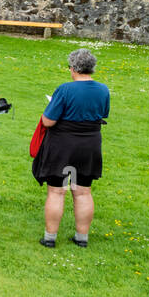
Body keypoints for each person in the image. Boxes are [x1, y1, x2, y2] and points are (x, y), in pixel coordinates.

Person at [33, 48, 110, 248]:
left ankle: (50, 238)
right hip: (90, 144)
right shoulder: (103, 90)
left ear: (73, 68)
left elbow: (48, 121)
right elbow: (103, 113)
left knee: (57, 191)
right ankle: (81, 237)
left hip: (62, 144)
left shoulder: (65, 90)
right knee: (83, 191)